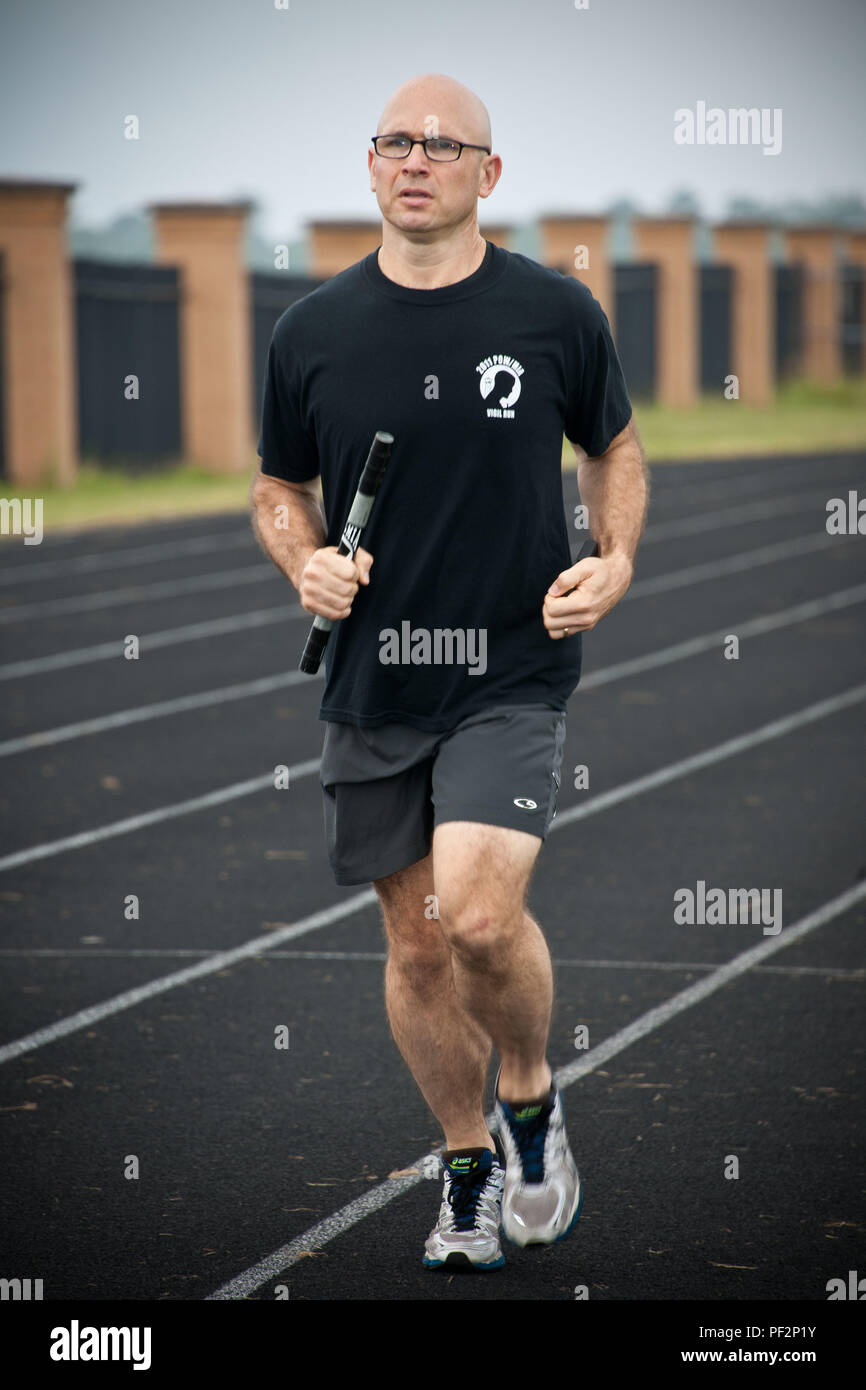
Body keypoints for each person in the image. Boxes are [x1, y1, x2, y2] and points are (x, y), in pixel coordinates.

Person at [251, 72, 649, 1271]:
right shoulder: (309, 332)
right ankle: (465, 1163)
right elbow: (278, 491)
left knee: (477, 913)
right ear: (368, 169)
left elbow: (613, 445)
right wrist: (303, 562)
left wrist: (615, 556)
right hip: (374, 684)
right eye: (393, 142)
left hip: (508, 669)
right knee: (418, 947)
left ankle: (530, 1102)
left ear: (489, 174)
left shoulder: (553, 314)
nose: (414, 159)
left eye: (442, 144)